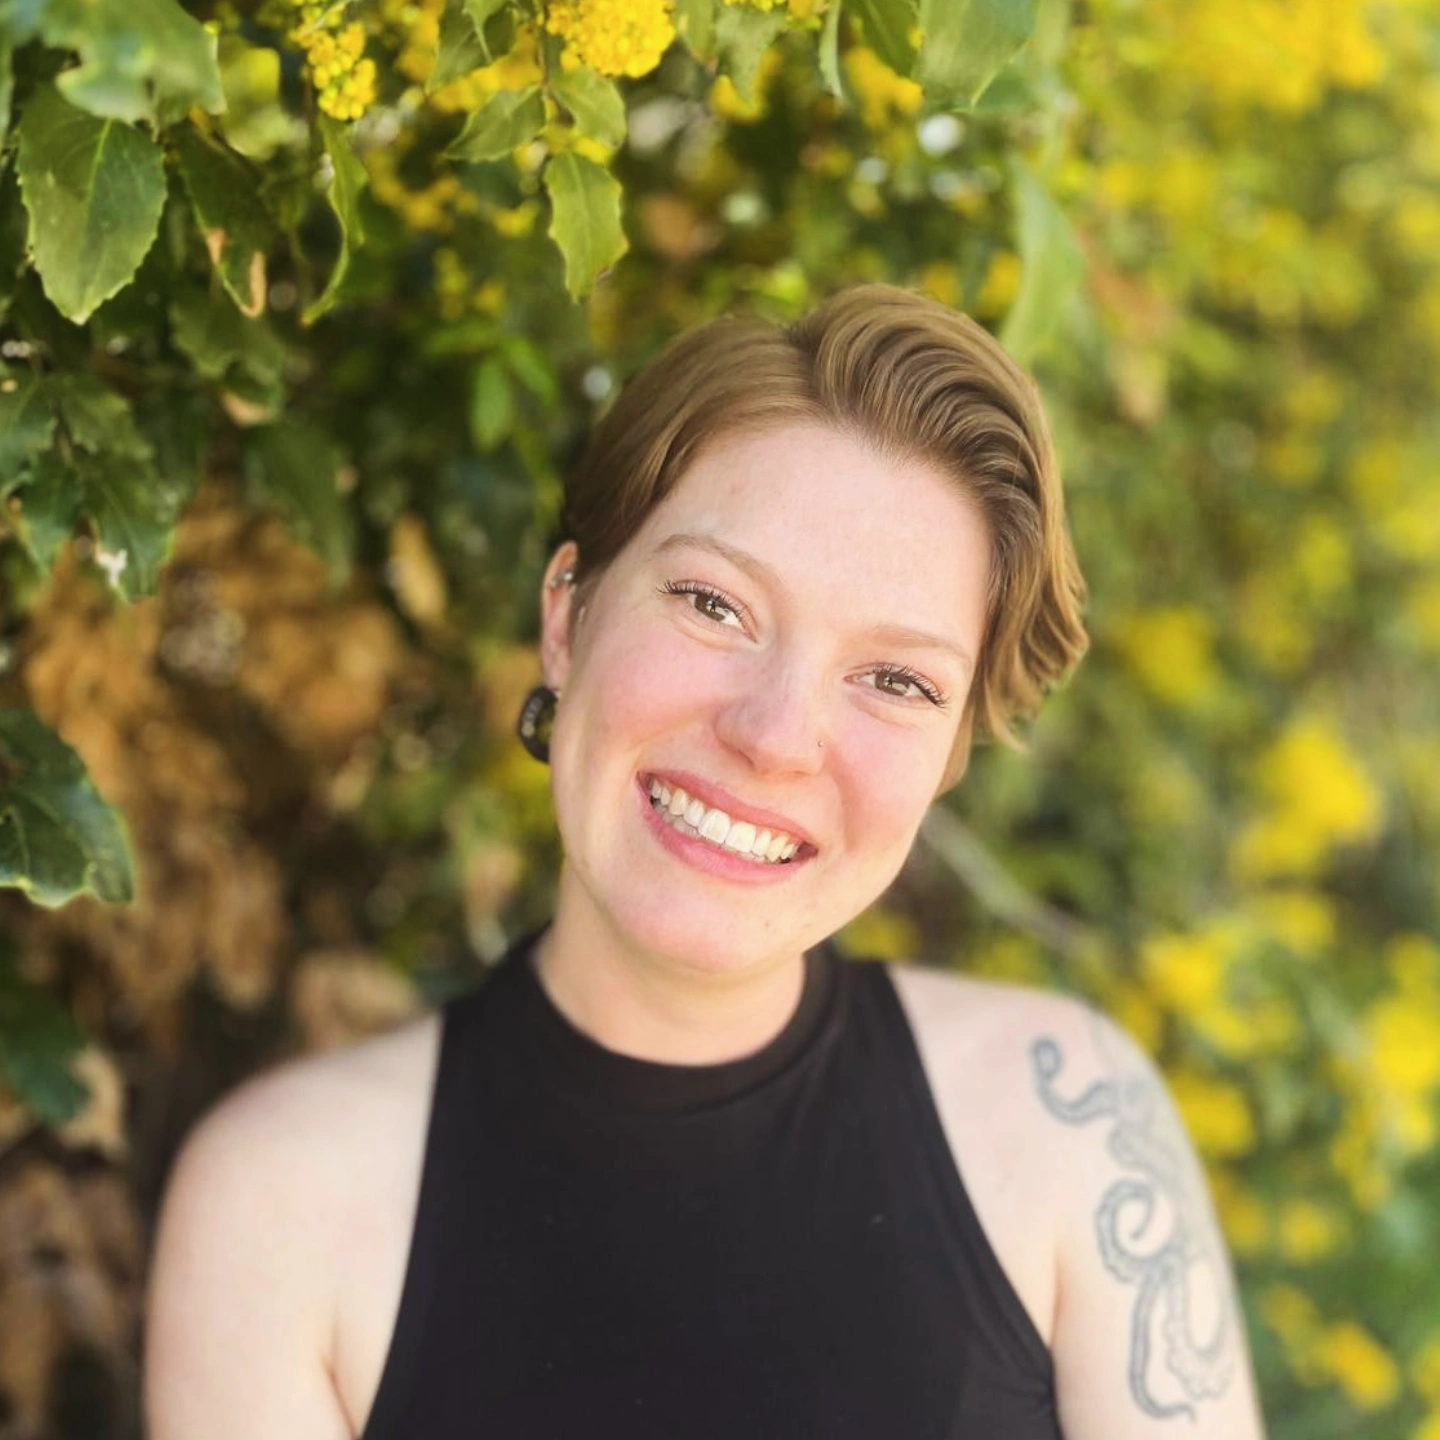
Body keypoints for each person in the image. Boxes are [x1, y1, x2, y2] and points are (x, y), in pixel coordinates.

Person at [145, 285, 1267, 1439]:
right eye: (713, 605)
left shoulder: (1071, 1124)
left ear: (947, 760)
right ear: (567, 619)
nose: (775, 736)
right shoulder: (284, 1207)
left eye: (897, 680)